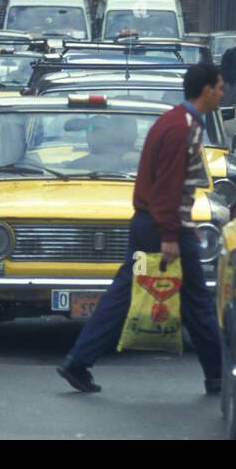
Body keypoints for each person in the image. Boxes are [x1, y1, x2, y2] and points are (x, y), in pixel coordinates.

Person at [57, 62, 226, 394]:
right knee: (198, 300)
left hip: (153, 223)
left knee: (123, 295)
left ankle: (78, 361)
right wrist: (170, 234)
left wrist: (182, 225)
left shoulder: (174, 120)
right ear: (207, 90)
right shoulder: (184, 127)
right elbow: (168, 184)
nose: (223, 93)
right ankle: (219, 376)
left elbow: (172, 185)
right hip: (162, 226)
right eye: (220, 87)